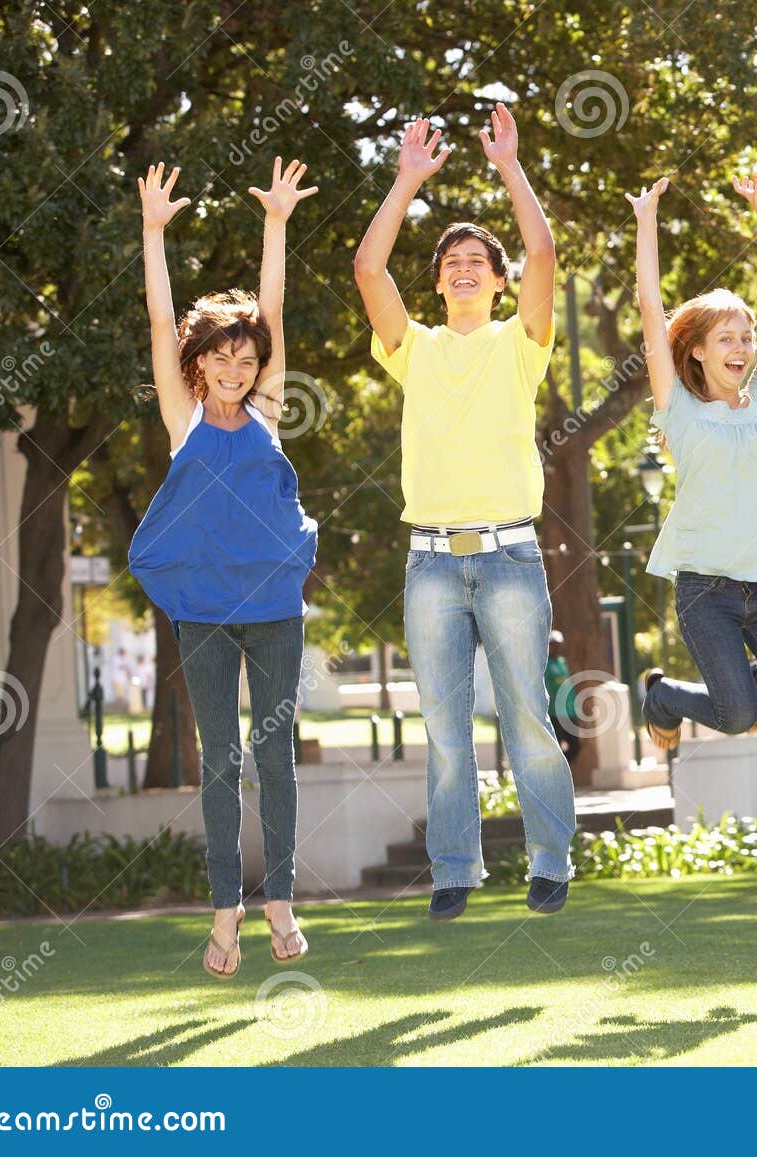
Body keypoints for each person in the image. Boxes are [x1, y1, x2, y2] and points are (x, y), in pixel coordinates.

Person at [354, 110, 575, 920]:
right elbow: (368, 267)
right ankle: (455, 870)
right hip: (433, 564)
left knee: (526, 718)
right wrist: (408, 178)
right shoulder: (414, 347)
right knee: (446, 729)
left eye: (479, 259)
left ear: (499, 279)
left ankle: (551, 861)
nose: (464, 268)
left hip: (512, 556)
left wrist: (510, 167)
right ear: (439, 281)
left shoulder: (523, 342)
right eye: (452, 261)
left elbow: (545, 253)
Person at [128, 158, 319, 977]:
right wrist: (153, 234)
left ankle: (278, 898)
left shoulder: (268, 408)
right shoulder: (182, 416)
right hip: (201, 606)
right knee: (222, 759)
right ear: (200, 362)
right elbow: (160, 312)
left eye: (248, 361)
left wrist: (276, 224)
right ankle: (223, 912)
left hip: (274, 601)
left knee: (275, 755)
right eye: (225, 360)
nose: (238, 372)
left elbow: (271, 310)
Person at [628, 173, 757, 747]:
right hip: (706, 592)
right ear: (696, 349)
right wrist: (647, 221)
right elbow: (650, 304)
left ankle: (739, 683)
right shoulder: (680, 410)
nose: (741, 347)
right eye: (726, 339)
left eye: (746, 337)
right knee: (739, 716)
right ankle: (664, 694)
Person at [545, 631, 581, 766]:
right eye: (553, 644)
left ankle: (560, 768)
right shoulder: (544, 664)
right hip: (554, 713)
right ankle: (555, 772)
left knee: (575, 746)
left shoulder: (562, 662)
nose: (556, 647)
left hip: (569, 712)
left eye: (558, 644)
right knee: (556, 745)